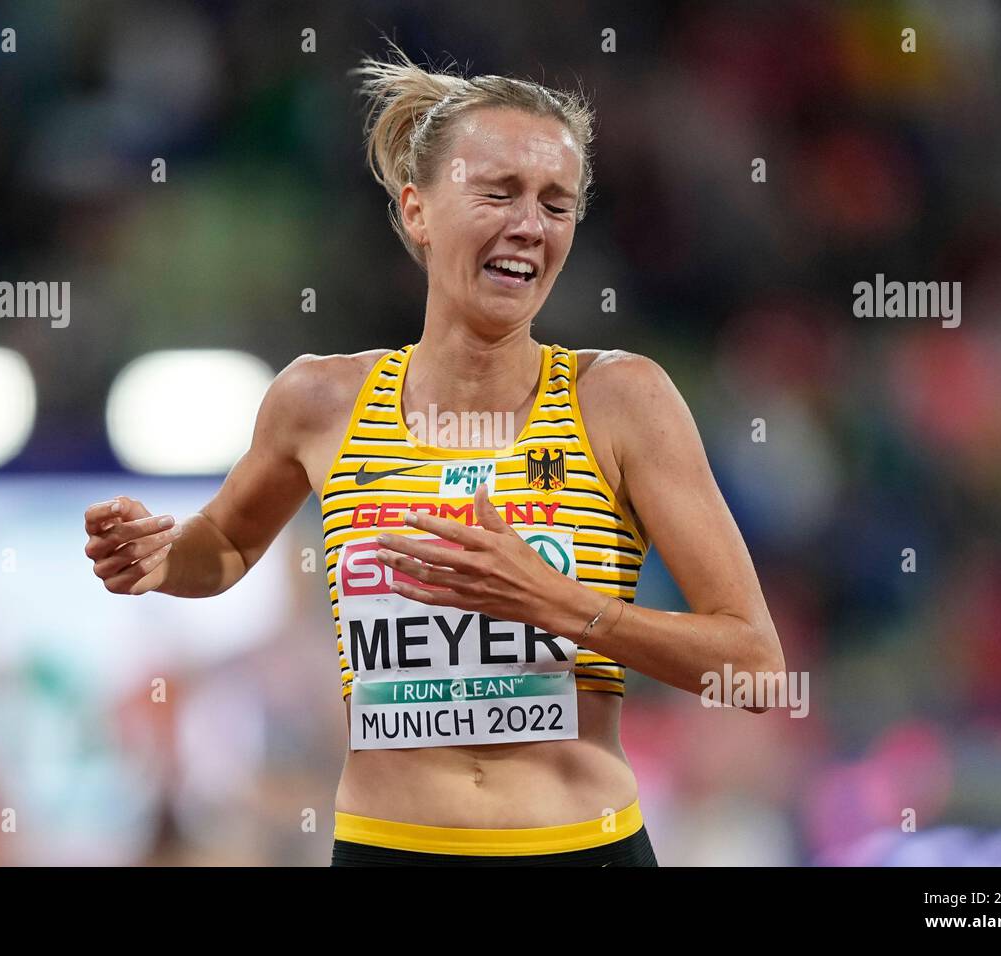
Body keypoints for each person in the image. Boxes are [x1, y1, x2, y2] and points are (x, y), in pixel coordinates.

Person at [82, 42, 785, 867]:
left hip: (580, 846)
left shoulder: (623, 400)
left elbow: (757, 667)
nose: (530, 224)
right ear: (417, 210)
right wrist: (166, 557)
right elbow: (229, 546)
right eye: (499, 192)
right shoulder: (318, 401)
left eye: (556, 203)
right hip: (390, 847)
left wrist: (561, 605)